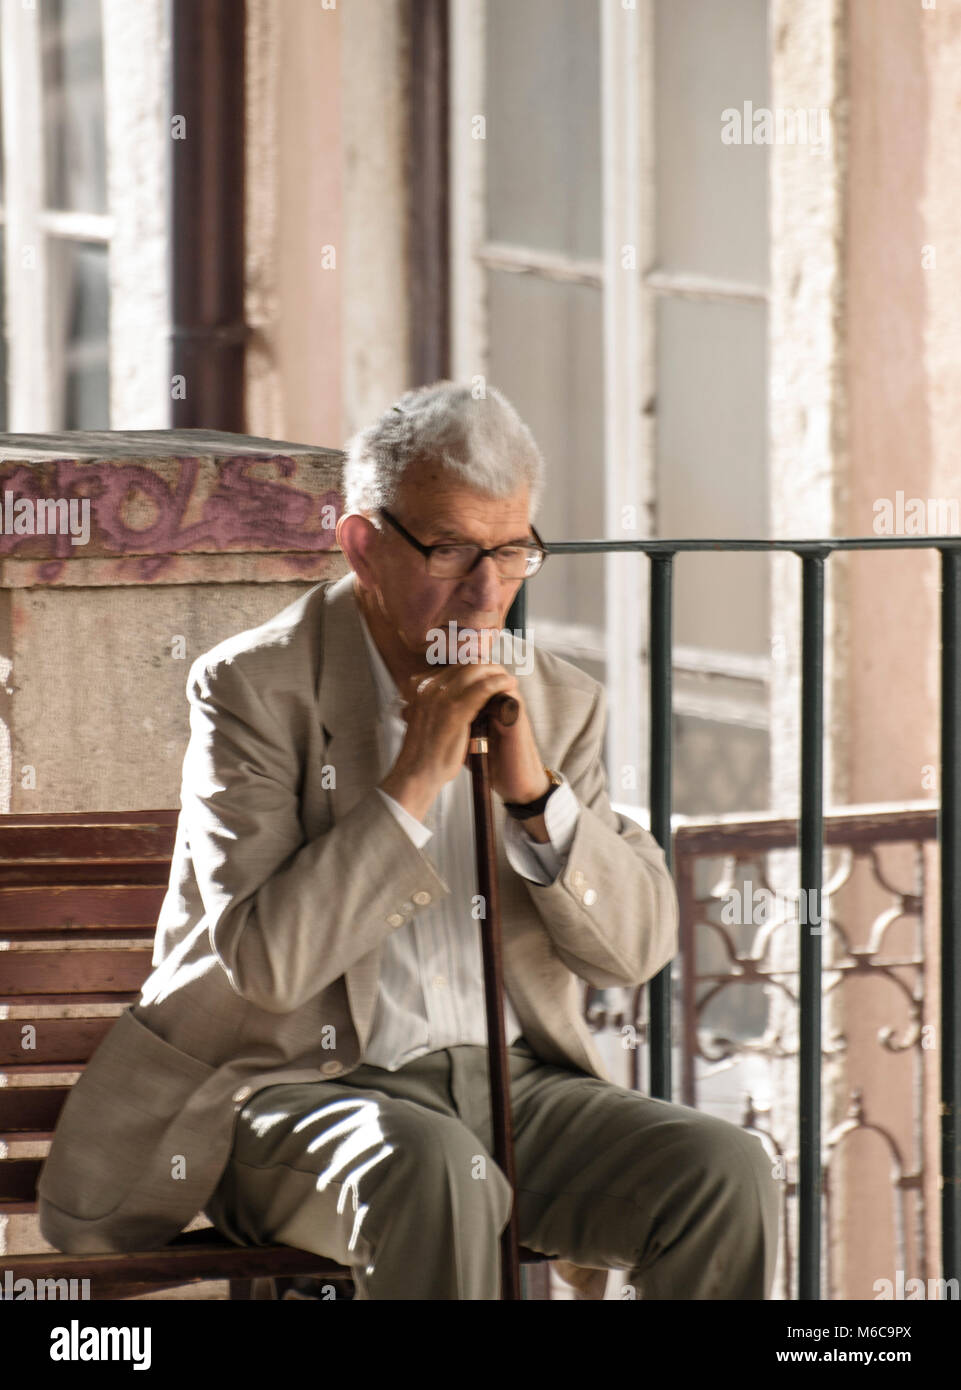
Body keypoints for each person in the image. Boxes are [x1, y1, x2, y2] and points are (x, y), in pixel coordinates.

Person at [38, 380, 779, 1300]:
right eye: (450, 549)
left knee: (722, 1170)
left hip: (515, 1093)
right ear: (363, 545)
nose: (485, 592)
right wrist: (412, 779)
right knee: (426, 1165)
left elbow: (632, 953)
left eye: (511, 552)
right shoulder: (254, 689)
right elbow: (267, 963)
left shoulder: (556, 698)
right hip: (289, 1094)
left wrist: (536, 800)